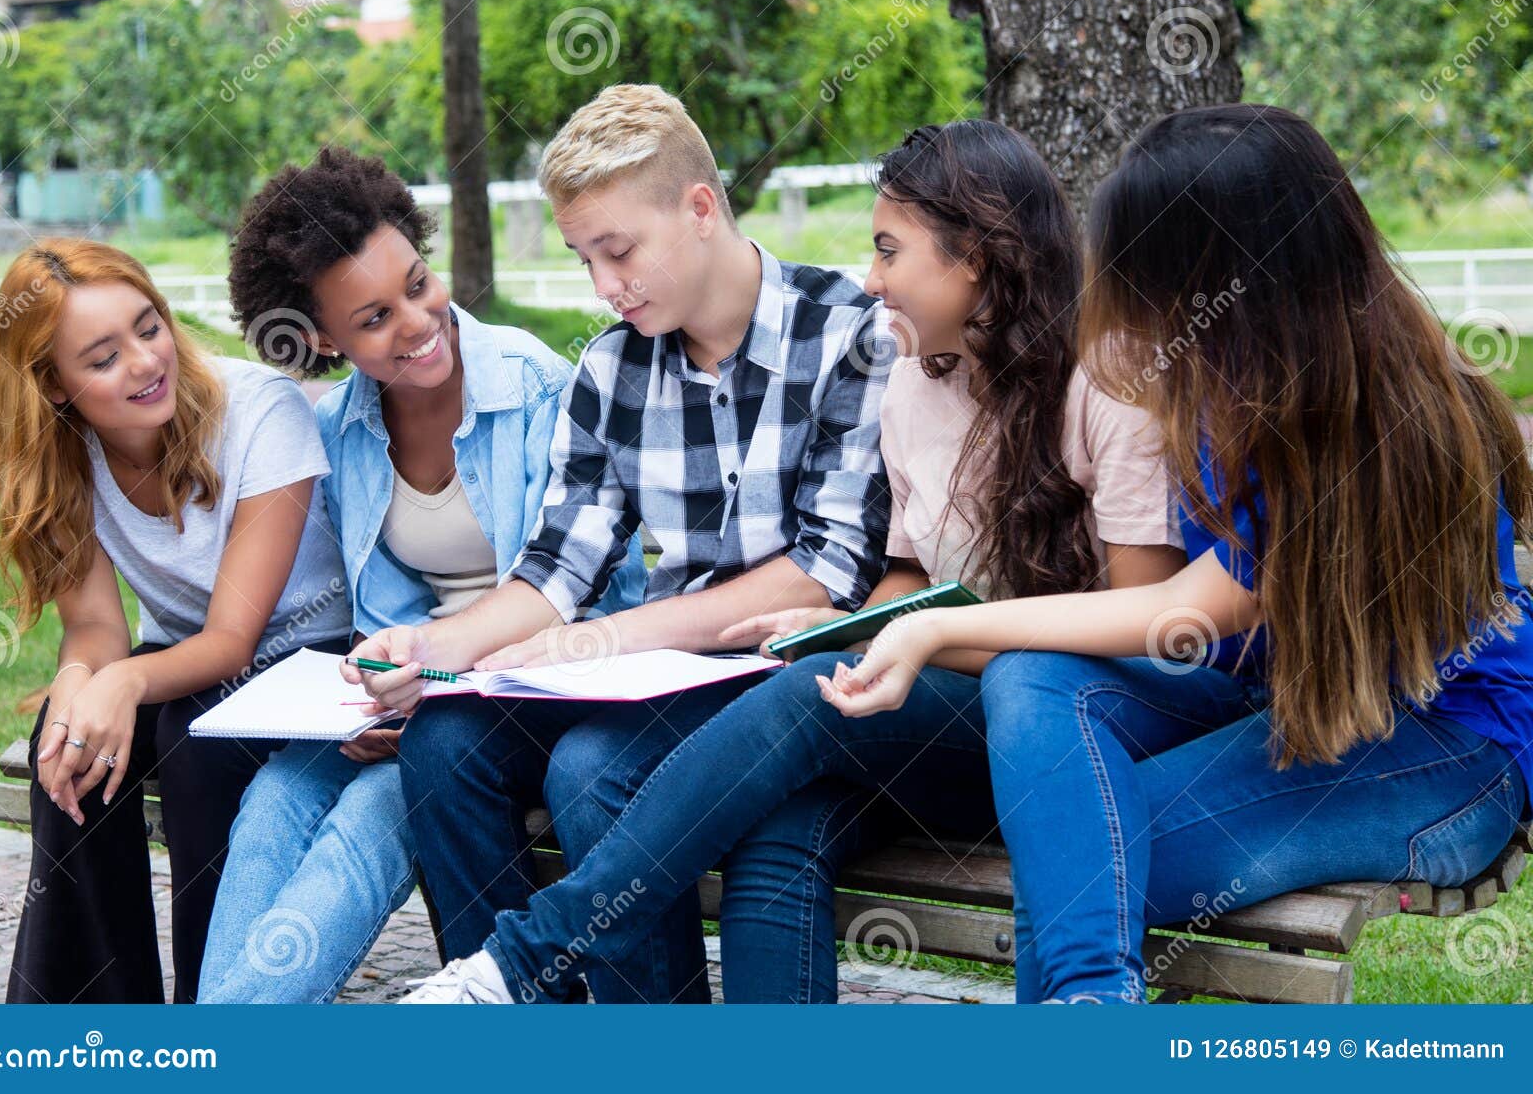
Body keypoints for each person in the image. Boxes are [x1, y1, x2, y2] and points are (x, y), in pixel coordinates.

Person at [396, 120, 1188, 1004]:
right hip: (886, 694)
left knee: (675, 741)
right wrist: (856, 626)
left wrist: (909, 631)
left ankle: (524, 957)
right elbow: (899, 576)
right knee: (763, 828)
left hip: (1026, 723)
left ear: (979, 256)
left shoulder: (1056, 375)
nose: (873, 276)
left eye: (889, 249)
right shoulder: (919, 379)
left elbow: (1137, 622)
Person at [827, 104, 1533, 1003]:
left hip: (1440, 745)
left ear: (1225, 271)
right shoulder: (1234, 375)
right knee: (1034, 691)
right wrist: (928, 625)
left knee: (1082, 867)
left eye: (1148, 276)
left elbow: (1191, 607)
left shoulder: (1359, 406)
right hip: (1279, 704)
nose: (1130, 302)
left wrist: (929, 633)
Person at [346, 83, 892, 1003]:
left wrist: (603, 639)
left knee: (593, 765)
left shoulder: (848, 334)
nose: (604, 285)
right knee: (442, 739)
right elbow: (559, 567)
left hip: (789, 678)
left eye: (619, 251)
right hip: (666, 677)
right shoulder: (611, 366)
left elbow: (825, 576)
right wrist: (429, 651)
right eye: (582, 257)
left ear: (701, 207)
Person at [196, 146, 643, 1003]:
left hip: (540, 691)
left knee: (370, 818)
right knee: (273, 801)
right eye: (372, 319)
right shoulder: (340, 433)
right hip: (413, 692)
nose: (416, 319)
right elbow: (372, 613)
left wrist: (434, 682)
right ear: (323, 337)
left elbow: (591, 589)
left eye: (417, 282)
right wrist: (366, 696)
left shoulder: (541, 388)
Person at [0, 240, 352, 1003]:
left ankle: (213, 1016)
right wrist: (84, 690)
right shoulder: (65, 454)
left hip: (314, 657)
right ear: (54, 385)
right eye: (104, 357)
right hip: (192, 665)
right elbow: (93, 634)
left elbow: (233, 640)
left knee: (192, 739)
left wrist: (121, 680)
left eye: (148, 328)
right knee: (68, 733)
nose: (146, 363)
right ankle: (91, 1015)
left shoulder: (258, 411)